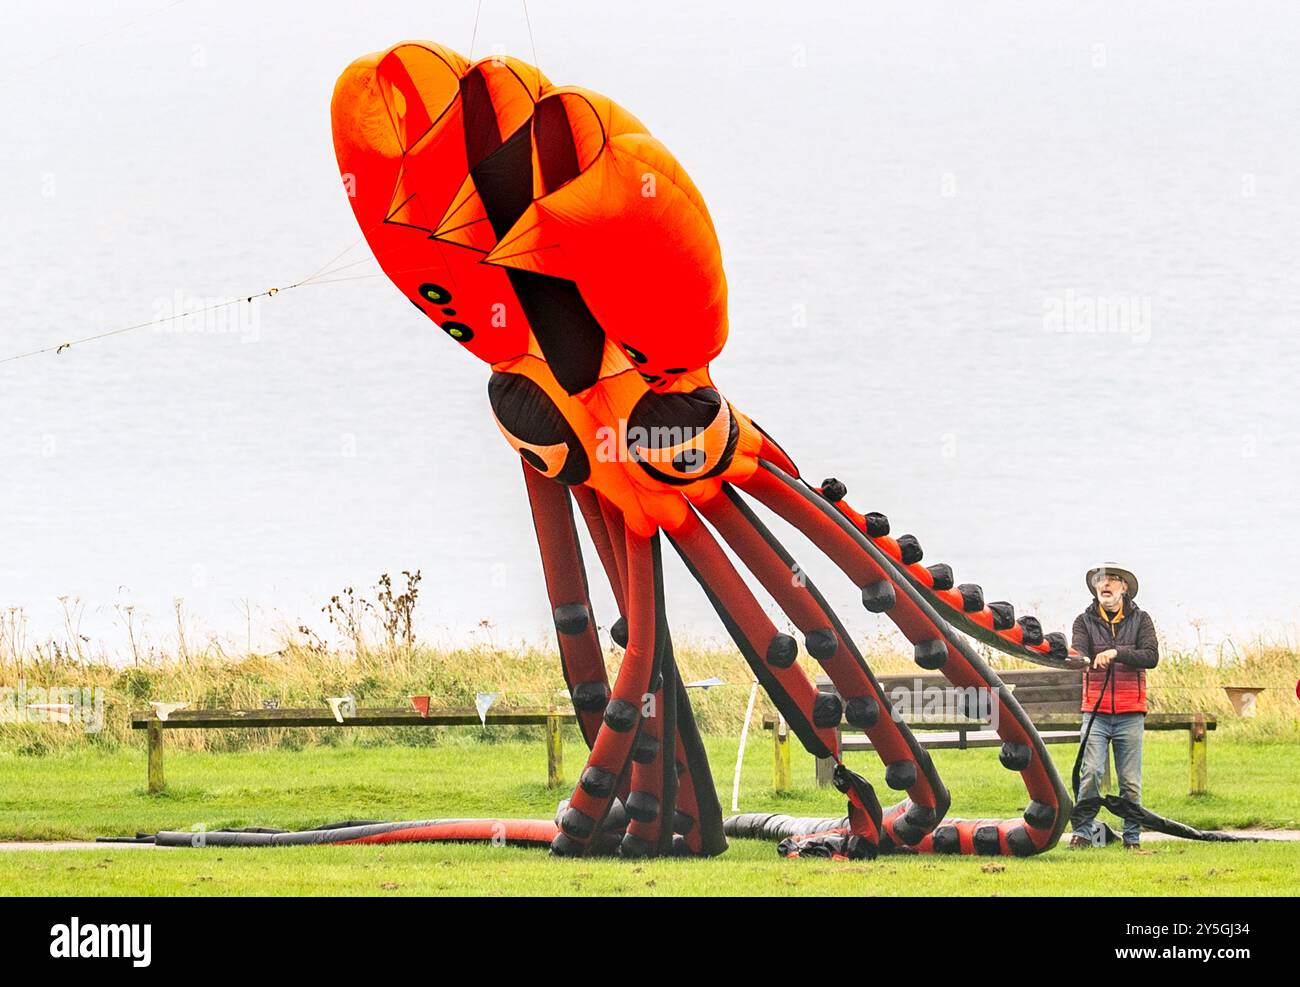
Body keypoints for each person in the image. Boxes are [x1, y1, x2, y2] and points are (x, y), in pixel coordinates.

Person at [1068, 563, 1159, 849]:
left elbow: (1151, 656)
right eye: (1100, 580)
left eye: (1113, 580)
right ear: (1095, 589)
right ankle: (1083, 834)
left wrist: (1116, 653)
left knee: (1130, 782)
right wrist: (1080, 660)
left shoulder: (1141, 619)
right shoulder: (1083, 622)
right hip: (1095, 712)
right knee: (1091, 773)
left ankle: (1132, 839)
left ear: (1125, 589)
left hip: (1130, 711)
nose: (1105, 584)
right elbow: (1078, 654)